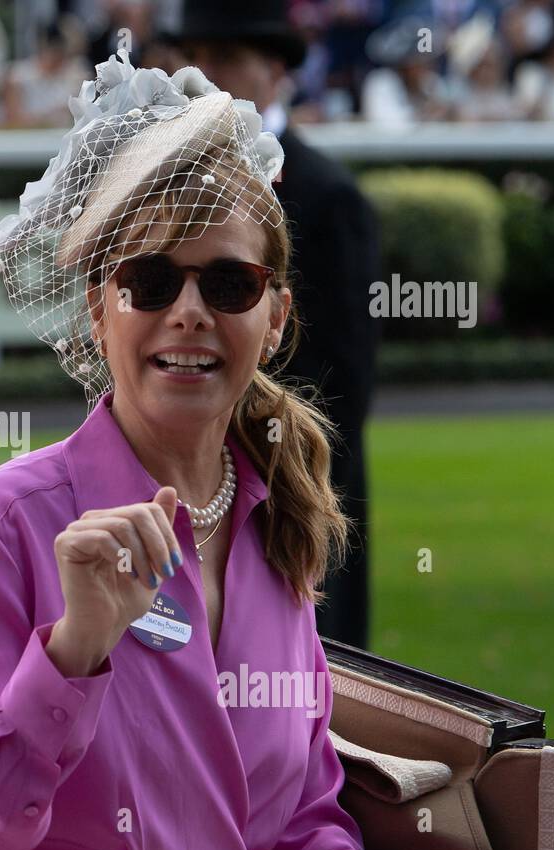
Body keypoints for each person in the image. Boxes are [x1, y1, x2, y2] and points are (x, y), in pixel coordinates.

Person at [0, 49, 366, 850]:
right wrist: (74, 649)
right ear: (98, 310)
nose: (187, 313)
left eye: (229, 285)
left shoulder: (277, 522)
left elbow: (305, 819)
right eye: (148, 282)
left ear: (278, 317)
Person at [181, 0, 381, 650]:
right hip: (180, 480)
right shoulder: (169, 187)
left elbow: (345, 378)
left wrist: (293, 488)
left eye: (227, 59)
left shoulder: (326, 194)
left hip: (285, 479)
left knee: (311, 699)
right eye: (200, 58)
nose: (208, 74)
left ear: (274, 68)